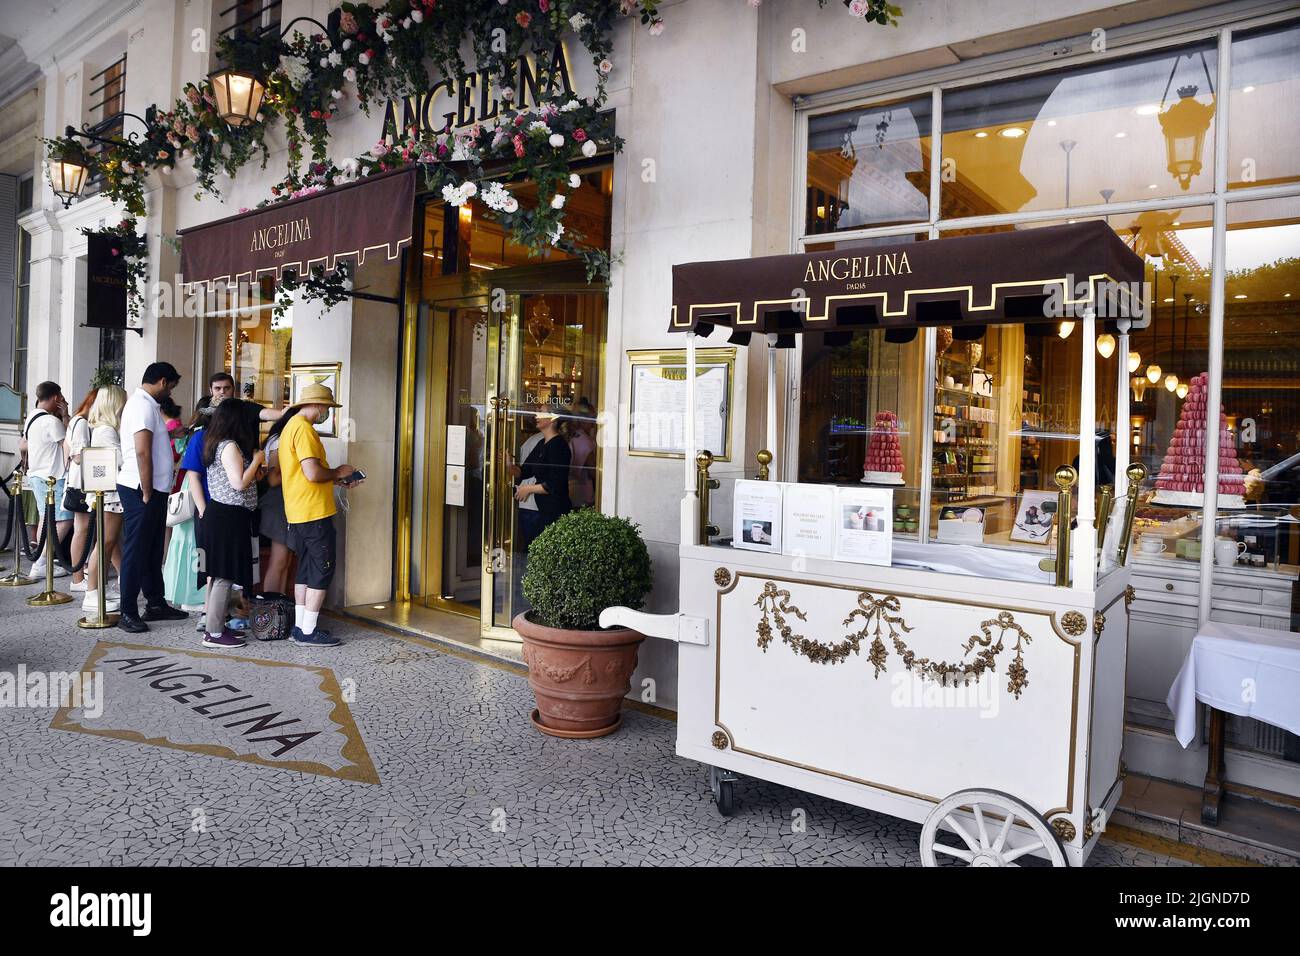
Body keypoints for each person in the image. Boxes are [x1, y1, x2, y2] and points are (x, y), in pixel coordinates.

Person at [279, 384, 359, 647]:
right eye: (327, 407)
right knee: (322, 568)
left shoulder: (291, 426)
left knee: (305, 569)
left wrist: (335, 480)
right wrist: (338, 472)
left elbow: (305, 475)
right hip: (313, 513)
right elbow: (313, 473)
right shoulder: (303, 429)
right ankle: (309, 630)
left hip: (298, 511)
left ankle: (301, 626)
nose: (327, 412)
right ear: (318, 405)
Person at [117, 362, 188, 633]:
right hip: (141, 488)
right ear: (161, 381)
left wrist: (171, 433)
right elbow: (142, 452)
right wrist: (146, 490)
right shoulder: (142, 406)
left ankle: (155, 602)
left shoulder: (147, 406)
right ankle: (128, 611)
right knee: (136, 551)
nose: (170, 393)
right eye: (170, 387)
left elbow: (151, 443)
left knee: (152, 548)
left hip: (152, 488)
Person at [196, 399, 264, 648]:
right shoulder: (230, 446)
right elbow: (238, 483)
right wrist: (257, 460)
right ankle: (213, 633)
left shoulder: (215, 443)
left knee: (219, 575)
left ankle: (216, 628)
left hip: (222, 515)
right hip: (228, 516)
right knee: (224, 575)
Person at [82, 386, 128, 613]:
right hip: (108, 494)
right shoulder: (105, 431)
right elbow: (119, 460)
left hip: (108, 493)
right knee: (105, 543)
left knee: (110, 542)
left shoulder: (104, 429)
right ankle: (91, 593)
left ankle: (102, 586)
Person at [22, 381, 71, 579]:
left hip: (36, 474)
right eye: (59, 397)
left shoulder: (32, 417)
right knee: (65, 520)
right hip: (53, 477)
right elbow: (69, 444)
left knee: (45, 516)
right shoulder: (51, 422)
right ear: (55, 398)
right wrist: (66, 416)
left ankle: (40, 562)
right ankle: (42, 560)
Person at [258, 404, 304, 595]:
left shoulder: (281, 438)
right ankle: (270, 609)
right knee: (279, 560)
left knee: (285, 561)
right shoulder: (279, 441)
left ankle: (280, 606)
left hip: (286, 502)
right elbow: (274, 478)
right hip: (279, 504)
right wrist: (303, 471)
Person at [513, 407, 572, 548]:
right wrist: (509, 466)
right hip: (543, 511)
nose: (536, 415)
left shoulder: (559, 446)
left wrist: (528, 489)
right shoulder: (541, 443)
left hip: (555, 512)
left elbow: (554, 484)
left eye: (541, 413)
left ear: (552, 419)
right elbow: (524, 471)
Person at [63, 386, 99, 592]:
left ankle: (80, 573)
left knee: (84, 530)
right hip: (81, 484)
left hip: (81, 482)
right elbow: (78, 456)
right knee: (82, 530)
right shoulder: (82, 422)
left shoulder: (78, 420)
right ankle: (77, 578)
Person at [567, 398, 597, 509]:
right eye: (592, 418)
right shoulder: (586, 441)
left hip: (571, 490)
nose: (594, 422)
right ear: (583, 420)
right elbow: (593, 471)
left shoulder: (573, 436)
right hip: (583, 493)